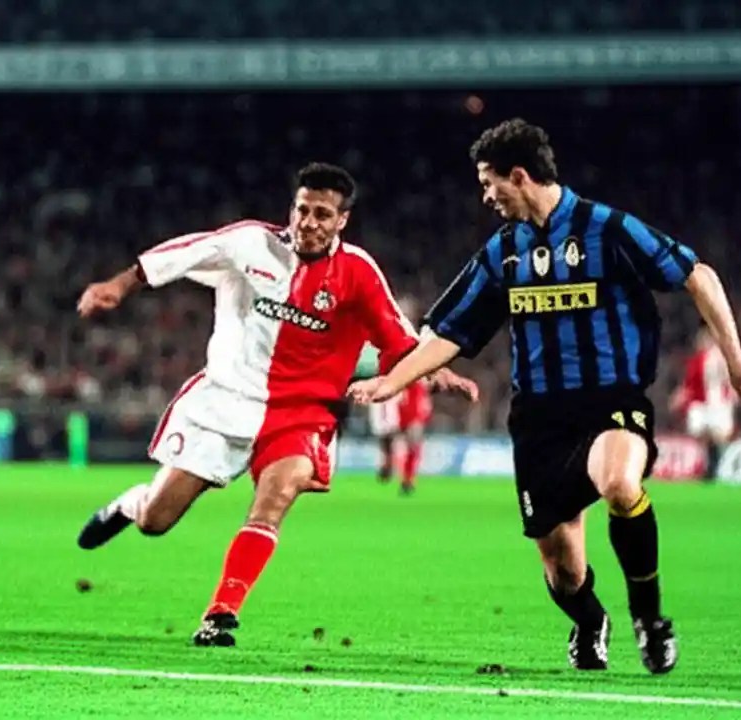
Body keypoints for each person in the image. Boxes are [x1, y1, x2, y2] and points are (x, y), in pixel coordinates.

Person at [349, 119, 741, 674]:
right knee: (564, 571)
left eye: (489, 183)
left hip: (611, 399)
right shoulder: (502, 252)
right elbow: (449, 333)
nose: (486, 197)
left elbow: (698, 275)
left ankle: (649, 620)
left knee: (623, 485)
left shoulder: (608, 228)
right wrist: (392, 381)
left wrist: (737, 360)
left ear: (520, 176)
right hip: (539, 422)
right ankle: (589, 619)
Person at [73, 162, 478, 647]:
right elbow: (182, 253)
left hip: (302, 412)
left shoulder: (358, 273)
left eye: (322, 214)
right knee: (156, 521)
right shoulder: (250, 244)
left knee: (276, 498)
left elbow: (396, 339)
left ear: (342, 220)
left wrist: (435, 369)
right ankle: (131, 504)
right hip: (227, 400)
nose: (308, 222)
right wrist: (118, 286)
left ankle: (220, 612)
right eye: (302, 210)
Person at [367, 299, 434, 495]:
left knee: (414, 434)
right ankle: (387, 464)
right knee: (387, 434)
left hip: (414, 389)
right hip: (393, 386)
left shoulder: (422, 335)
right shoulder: (386, 330)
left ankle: (408, 479)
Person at [670, 327, 736, 480]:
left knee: (720, 435)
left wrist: (733, 391)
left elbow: (730, 377)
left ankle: (718, 465)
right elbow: (689, 383)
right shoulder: (697, 360)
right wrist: (680, 396)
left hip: (718, 402)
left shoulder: (722, 358)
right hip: (701, 403)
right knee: (701, 433)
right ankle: (710, 465)